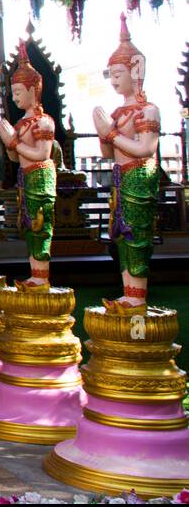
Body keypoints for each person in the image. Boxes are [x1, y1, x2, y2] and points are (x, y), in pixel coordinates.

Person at [92, 16, 161, 314]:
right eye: (112, 74)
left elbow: (145, 148)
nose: (114, 79)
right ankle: (128, 293)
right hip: (121, 179)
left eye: (119, 72)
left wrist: (112, 133)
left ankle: (138, 298)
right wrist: (103, 132)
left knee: (136, 235)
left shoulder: (149, 110)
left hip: (138, 177)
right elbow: (109, 151)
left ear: (136, 71)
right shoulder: (120, 112)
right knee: (120, 236)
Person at [0, 43, 55, 289]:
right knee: (30, 227)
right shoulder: (21, 124)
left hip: (40, 177)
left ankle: (41, 276)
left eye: (19, 91)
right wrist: (10, 145)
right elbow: (14, 159)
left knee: (41, 226)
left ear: (34, 89)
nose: (15, 96)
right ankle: (35, 274)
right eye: (13, 92)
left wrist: (14, 142)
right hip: (26, 178)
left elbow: (41, 154)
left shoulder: (43, 121)